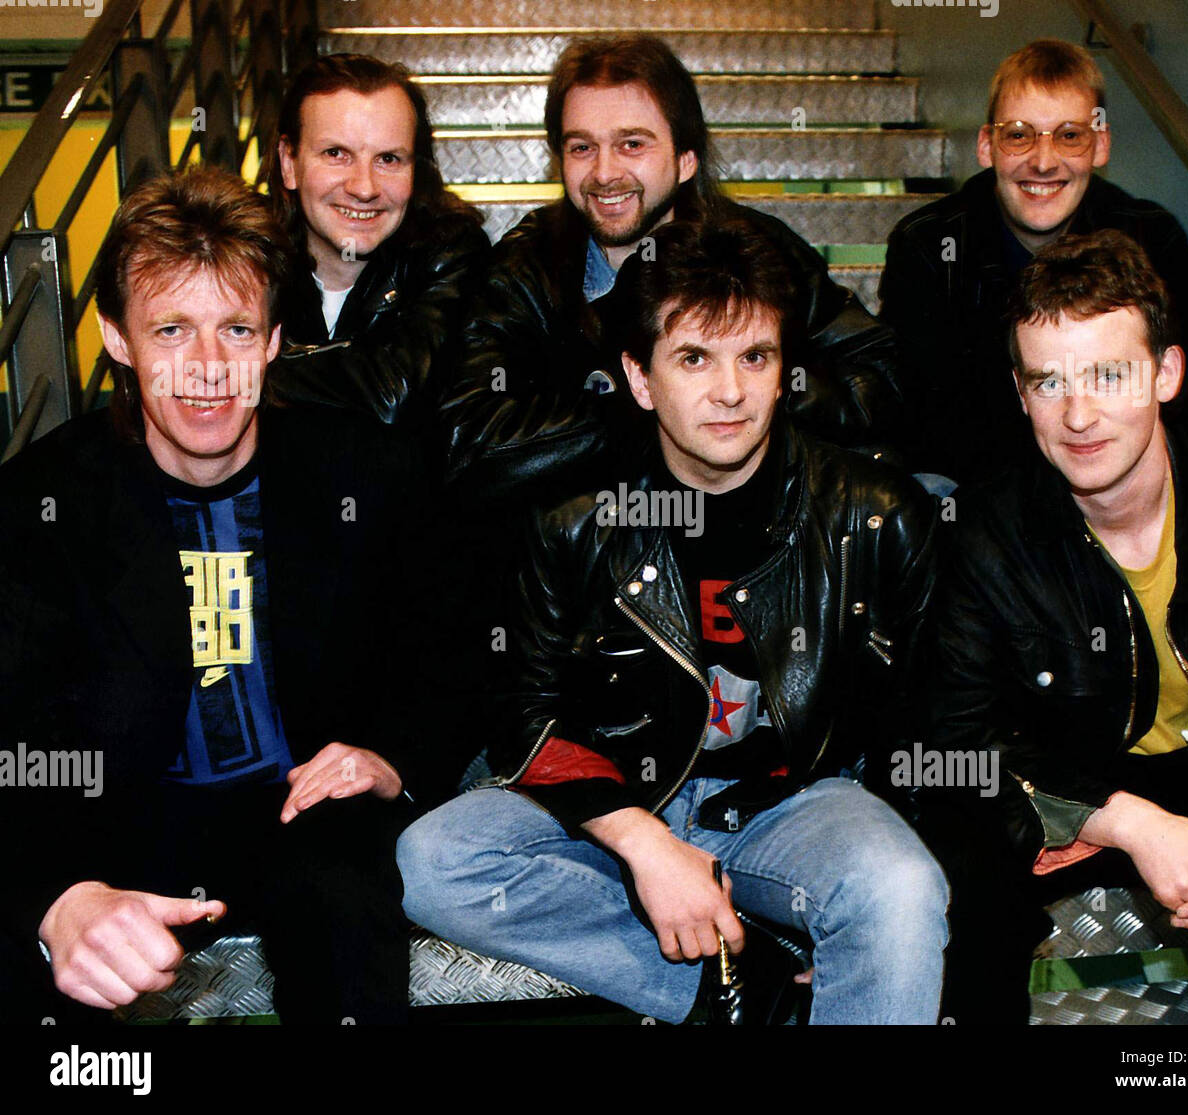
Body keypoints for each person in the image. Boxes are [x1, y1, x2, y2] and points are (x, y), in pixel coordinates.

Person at [398, 219, 947, 1025]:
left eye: (754, 357)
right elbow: (523, 717)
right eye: (694, 358)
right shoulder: (577, 517)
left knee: (898, 885)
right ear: (640, 377)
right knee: (432, 858)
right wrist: (643, 843)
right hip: (627, 792)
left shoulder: (875, 512)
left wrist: (889, 880)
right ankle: (736, 991)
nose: (730, 390)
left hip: (795, 803)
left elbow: (929, 721)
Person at [0, 166, 443, 1024]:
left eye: (237, 329)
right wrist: (59, 898)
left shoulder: (361, 471)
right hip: (116, 822)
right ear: (118, 339)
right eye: (171, 330)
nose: (208, 369)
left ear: (275, 340)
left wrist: (391, 756)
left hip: (304, 812)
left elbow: (446, 648)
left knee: (343, 916)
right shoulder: (41, 507)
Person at [926, 229, 1188, 1023]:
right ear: (1020, 394)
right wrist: (1133, 824)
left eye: (1108, 373)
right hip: (1071, 780)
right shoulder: (986, 534)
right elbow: (952, 741)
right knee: (951, 879)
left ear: (1166, 373)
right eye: (1049, 381)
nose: (1079, 413)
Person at [439, 33, 907, 504]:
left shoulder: (755, 252)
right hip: (597, 540)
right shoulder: (526, 269)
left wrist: (756, 394)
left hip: (753, 521)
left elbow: (880, 375)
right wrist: (646, 401)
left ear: (685, 160)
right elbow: (469, 441)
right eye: (582, 148)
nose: (604, 173)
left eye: (632, 144)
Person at [879, 38, 1188, 484]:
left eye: (1070, 136)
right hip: (980, 492)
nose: (1043, 161)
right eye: (1019, 135)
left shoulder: (1149, 238)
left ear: (1100, 146)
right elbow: (917, 413)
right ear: (986, 146)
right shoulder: (928, 245)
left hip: (1112, 481)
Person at [268, 53, 489, 425]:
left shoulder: (450, 255)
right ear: (289, 163)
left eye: (388, 159)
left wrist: (241, 374)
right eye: (336, 154)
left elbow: (394, 391)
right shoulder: (246, 256)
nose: (364, 188)